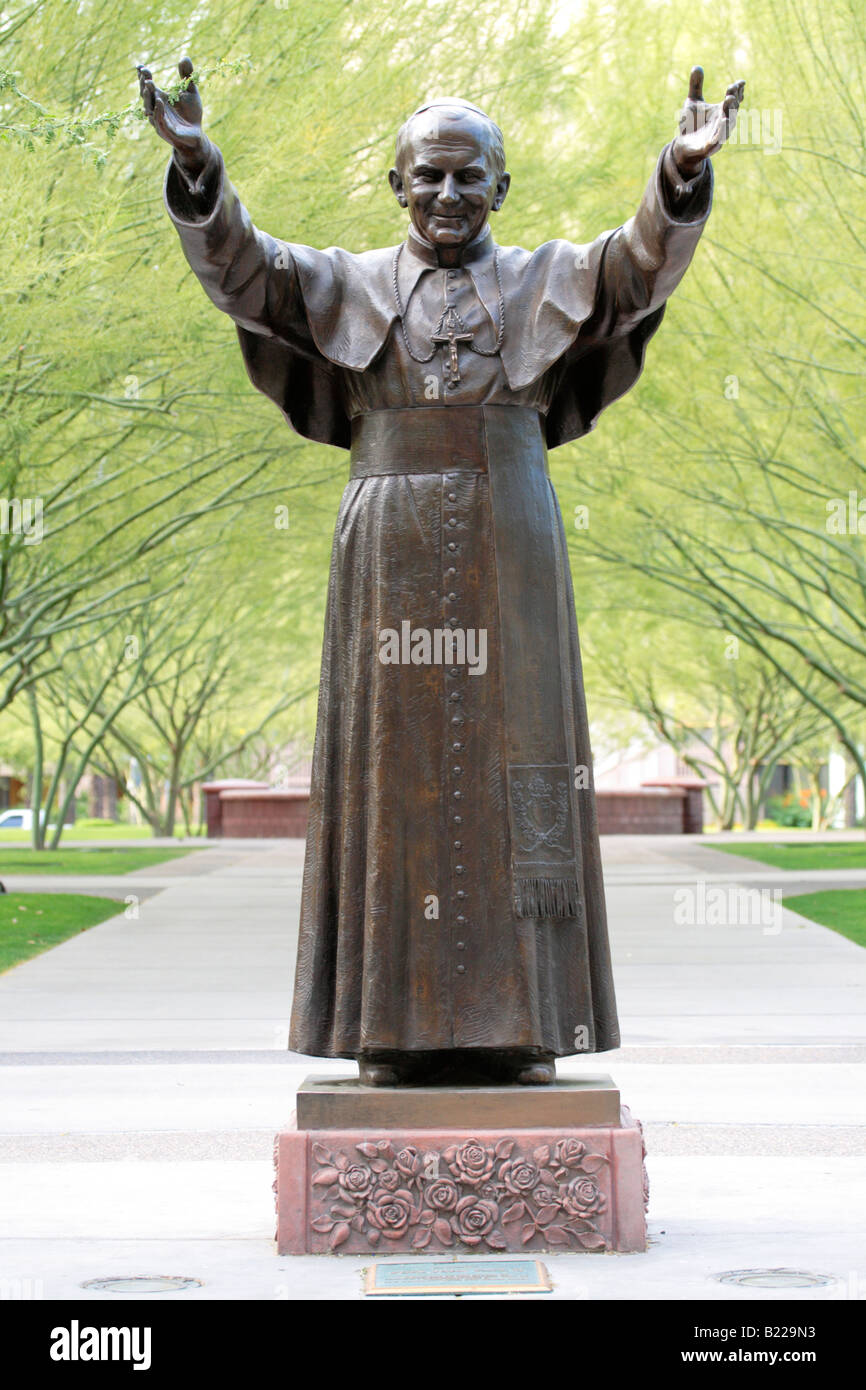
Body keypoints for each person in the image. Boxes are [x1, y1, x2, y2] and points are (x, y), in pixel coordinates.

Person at [139, 59, 744, 1085]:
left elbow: (635, 267)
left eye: (470, 178)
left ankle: (524, 1024)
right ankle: (388, 1025)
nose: (450, 197)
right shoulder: (347, 284)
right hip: (389, 553)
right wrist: (198, 162)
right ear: (397, 186)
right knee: (392, 779)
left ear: (500, 186)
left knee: (524, 773)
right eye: (428, 178)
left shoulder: (545, 278)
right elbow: (241, 271)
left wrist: (677, 173)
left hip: (513, 540)